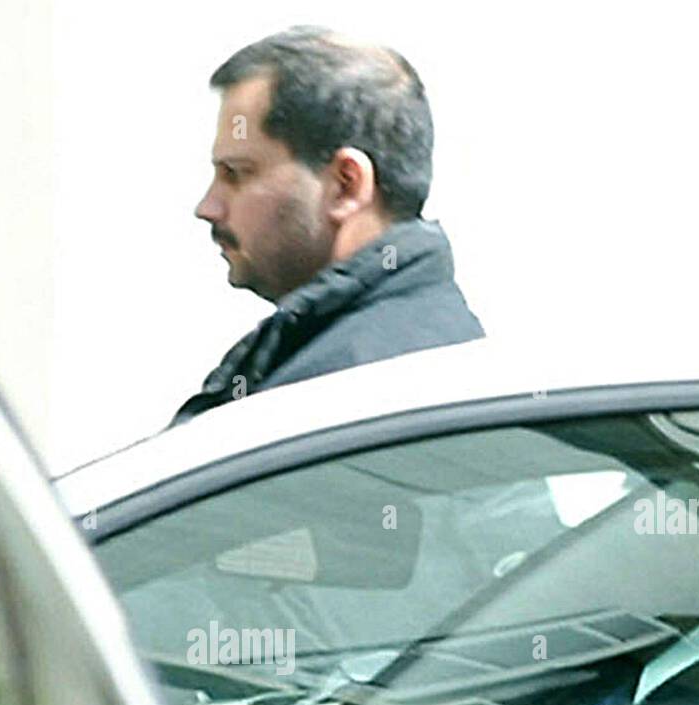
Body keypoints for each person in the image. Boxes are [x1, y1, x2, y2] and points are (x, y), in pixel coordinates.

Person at [171, 26, 484, 426]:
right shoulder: (394, 352)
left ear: (345, 185)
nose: (208, 207)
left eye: (236, 173)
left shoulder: (354, 393)